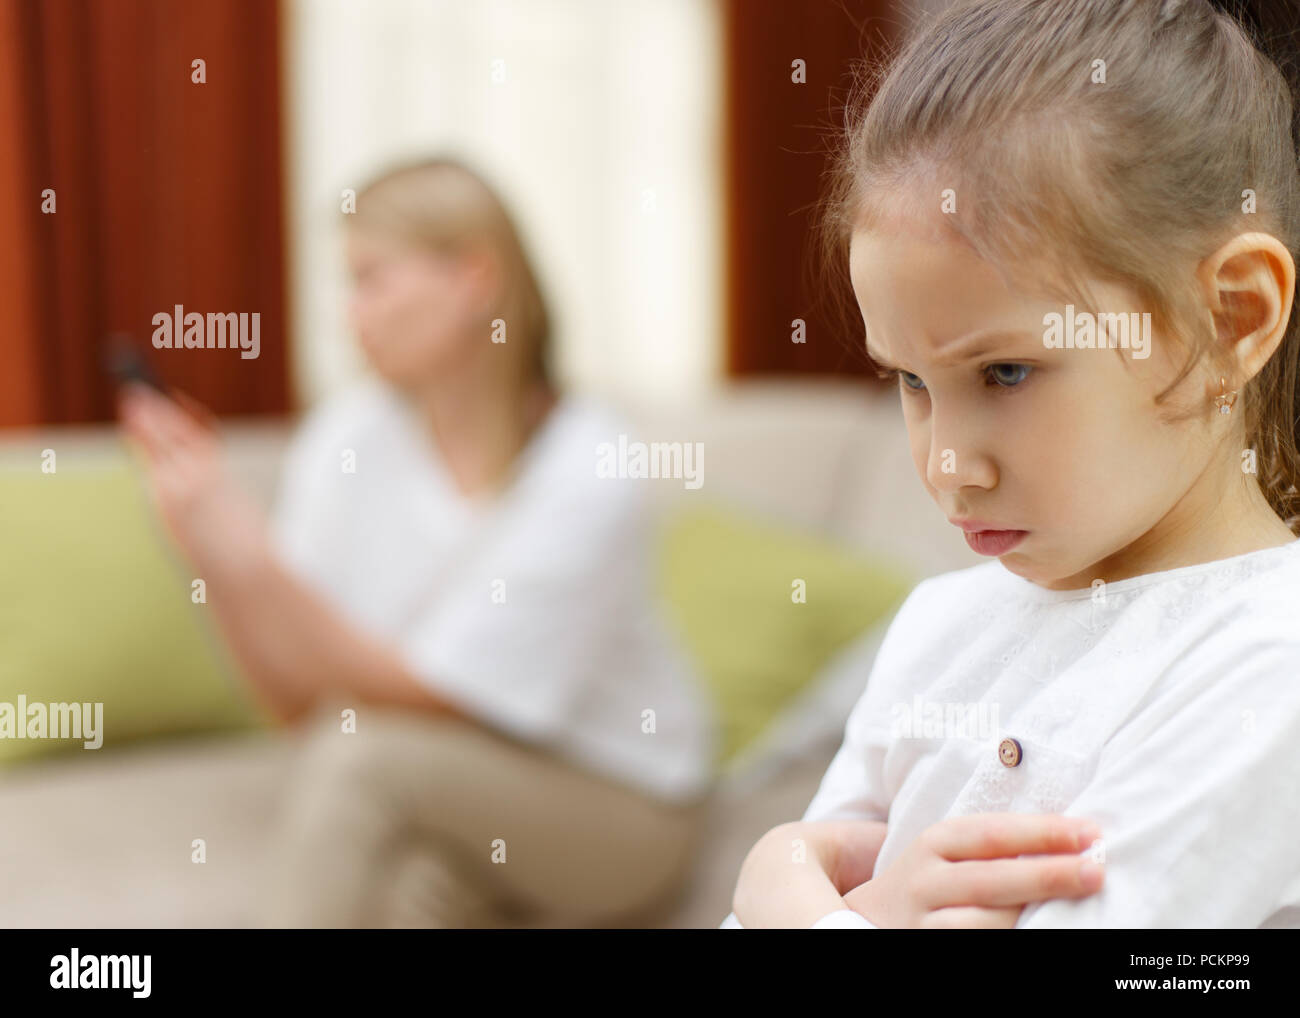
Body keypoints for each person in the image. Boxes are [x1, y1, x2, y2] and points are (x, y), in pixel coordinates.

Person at [724, 0, 1300, 928]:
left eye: (1005, 372)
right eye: (910, 380)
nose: (948, 467)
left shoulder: (1269, 667)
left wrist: (786, 894)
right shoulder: (938, 627)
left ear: (1231, 319)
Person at [119, 155, 717, 928]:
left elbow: (441, 701)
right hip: (464, 790)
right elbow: (296, 706)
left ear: (473, 279)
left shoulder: (589, 465)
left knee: (361, 759)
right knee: (406, 896)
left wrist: (252, 557)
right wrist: (215, 556)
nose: (351, 314)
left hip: (623, 800)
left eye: (372, 279)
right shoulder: (348, 437)